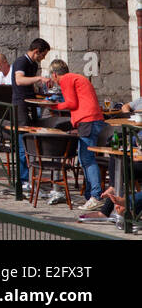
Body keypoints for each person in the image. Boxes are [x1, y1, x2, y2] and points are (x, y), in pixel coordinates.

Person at [45, 60, 108, 212]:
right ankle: (90, 195)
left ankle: (96, 196)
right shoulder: (75, 77)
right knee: (84, 159)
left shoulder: (66, 79)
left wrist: (53, 106)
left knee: (87, 159)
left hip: (88, 120)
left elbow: (72, 103)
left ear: (54, 74)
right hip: (92, 119)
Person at [11, 38, 51, 186]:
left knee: (32, 141)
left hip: (31, 103)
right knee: (23, 141)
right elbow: (19, 80)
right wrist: (39, 78)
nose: (43, 58)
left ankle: (31, 176)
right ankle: (23, 179)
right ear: (36, 52)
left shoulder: (33, 64)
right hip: (21, 105)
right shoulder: (21, 62)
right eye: (43, 55)